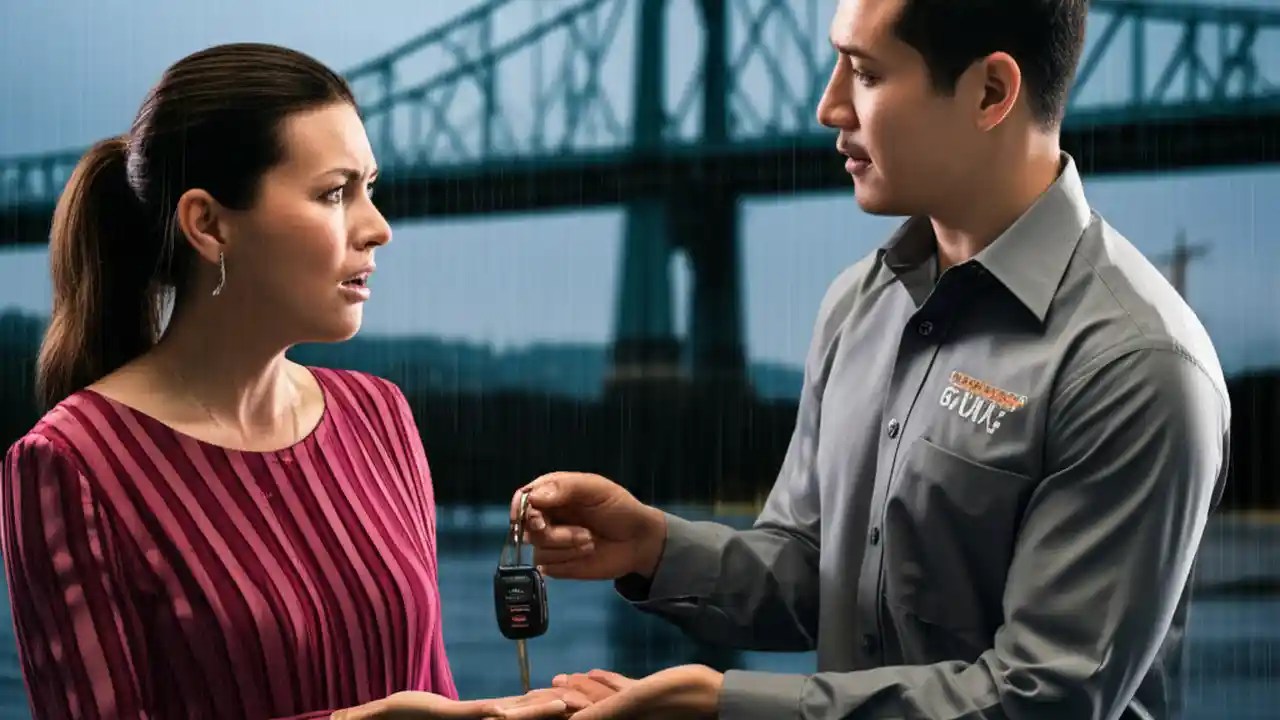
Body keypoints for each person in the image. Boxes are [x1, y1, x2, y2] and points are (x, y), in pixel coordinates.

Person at [519, 0, 1232, 717]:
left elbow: (1044, 697)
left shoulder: (1135, 365)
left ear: (991, 93)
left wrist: (720, 705)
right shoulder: (858, 303)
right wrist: (652, 545)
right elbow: (814, 575)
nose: (828, 107)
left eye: (864, 72)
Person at [0, 42, 589, 720]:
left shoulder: (379, 416)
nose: (379, 229)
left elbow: (432, 687)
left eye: (372, 189)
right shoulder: (69, 466)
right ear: (208, 224)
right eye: (334, 193)